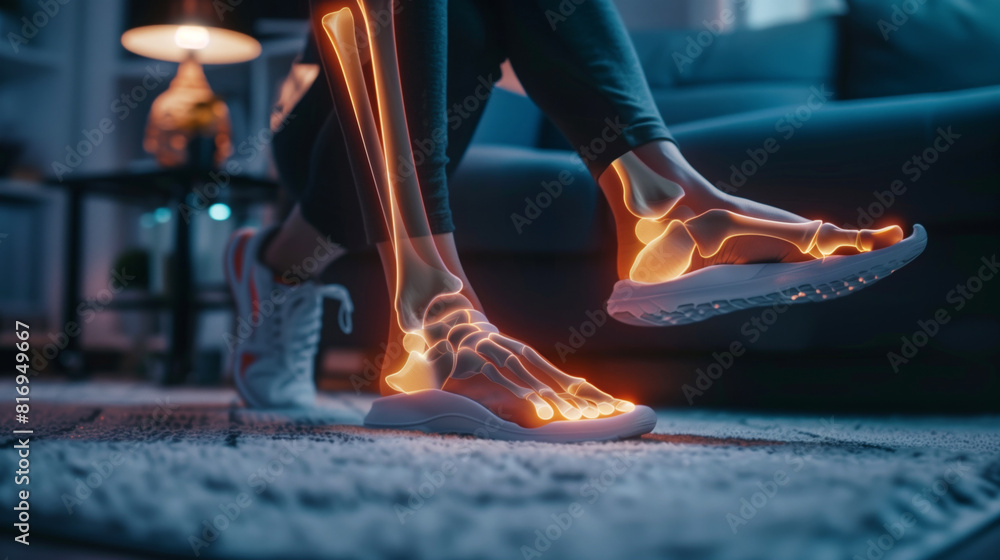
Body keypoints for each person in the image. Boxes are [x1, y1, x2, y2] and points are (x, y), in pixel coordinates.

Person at [224, 0, 925, 440]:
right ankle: (417, 309)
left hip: (436, 55)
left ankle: (667, 202)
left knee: (465, 24)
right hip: (328, 98)